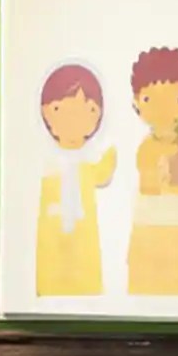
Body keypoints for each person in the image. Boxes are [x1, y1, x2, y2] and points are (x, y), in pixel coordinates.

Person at [35, 63, 117, 297]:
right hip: (54, 230)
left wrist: (111, 159)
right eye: (62, 110)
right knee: (54, 264)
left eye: (89, 111)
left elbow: (100, 175)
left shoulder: (84, 162)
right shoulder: (50, 161)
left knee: (84, 265)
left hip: (83, 232)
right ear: (47, 113)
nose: (76, 121)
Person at [128, 47, 178, 296]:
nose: (163, 109)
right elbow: (149, 185)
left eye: (177, 99)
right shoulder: (146, 149)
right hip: (149, 231)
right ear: (137, 102)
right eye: (150, 100)